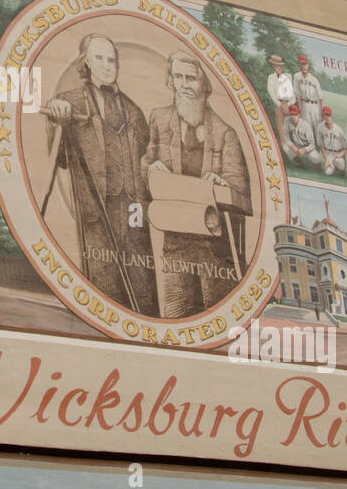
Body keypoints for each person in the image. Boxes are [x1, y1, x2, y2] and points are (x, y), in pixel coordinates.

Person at [44, 34, 154, 314]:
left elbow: (146, 157)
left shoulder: (134, 110)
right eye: (100, 59)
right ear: (87, 63)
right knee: (103, 285)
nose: (107, 65)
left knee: (142, 289)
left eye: (111, 60)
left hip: (133, 211)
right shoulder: (69, 101)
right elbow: (59, 158)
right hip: (96, 207)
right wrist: (57, 119)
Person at [142, 51, 252, 316]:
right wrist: (150, 170)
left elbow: (243, 196)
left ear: (205, 85)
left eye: (191, 78)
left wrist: (221, 185)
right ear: (170, 81)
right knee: (175, 314)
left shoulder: (225, 134)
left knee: (214, 316)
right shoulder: (159, 119)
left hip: (214, 249)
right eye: (178, 77)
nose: (184, 85)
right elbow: (145, 163)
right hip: (175, 242)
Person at [280, 104, 322, 168]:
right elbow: (286, 136)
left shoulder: (306, 126)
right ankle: (300, 163)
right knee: (285, 147)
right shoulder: (287, 121)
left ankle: (318, 166)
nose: (293, 116)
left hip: (307, 148)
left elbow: (312, 145)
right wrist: (292, 146)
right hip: (297, 146)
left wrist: (304, 149)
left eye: (295, 115)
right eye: (291, 114)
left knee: (316, 158)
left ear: (299, 115)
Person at [315, 106, 347, 176]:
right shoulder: (320, 127)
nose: (327, 117)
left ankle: (341, 170)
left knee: (339, 163)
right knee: (327, 172)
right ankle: (333, 166)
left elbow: (346, 147)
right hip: (329, 154)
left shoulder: (338, 129)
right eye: (325, 115)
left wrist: (340, 155)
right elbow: (321, 146)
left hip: (338, 153)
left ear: (331, 116)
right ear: (323, 116)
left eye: (328, 115)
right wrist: (327, 160)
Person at [266, 55, 295, 123]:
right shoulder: (271, 77)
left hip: (289, 105)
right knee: (281, 125)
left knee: (290, 125)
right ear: (274, 67)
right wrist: (280, 105)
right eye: (276, 66)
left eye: (280, 66)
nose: (279, 68)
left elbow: (293, 94)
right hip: (279, 105)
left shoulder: (288, 76)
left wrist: (288, 106)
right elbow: (271, 93)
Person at [293, 54, 322, 120]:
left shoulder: (314, 79)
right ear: (300, 65)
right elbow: (298, 96)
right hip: (305, 105)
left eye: (305, 64)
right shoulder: (297, 76)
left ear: (308, 65)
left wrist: (322, 112)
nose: (304, 67)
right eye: (302, 64)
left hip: (315, 105)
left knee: (316, 124)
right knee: (306, 124)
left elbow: (321, 98)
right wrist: (300, 110)